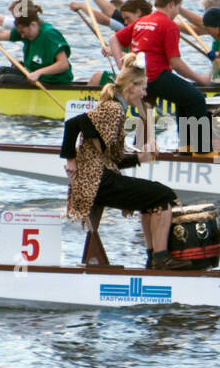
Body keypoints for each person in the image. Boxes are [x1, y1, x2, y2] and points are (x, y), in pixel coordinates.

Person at [58, 54, 187, 269]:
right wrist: (71, 159)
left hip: (99, 178)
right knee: (164, 195)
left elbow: (113, 159)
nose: (146, 94)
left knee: (151, 199)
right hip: (97, 181)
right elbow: (72, 125)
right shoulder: (113, 109)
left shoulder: (117, 107)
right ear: (131, 87)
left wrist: (139, 158)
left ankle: (152, 256)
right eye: (143, 88)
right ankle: (160, 258)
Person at [109, 0, 211, 152]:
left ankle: (141, 147)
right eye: (178, 7)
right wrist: (200, 78)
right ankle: (199, 150)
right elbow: (176, 63)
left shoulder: (143, 21)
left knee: (164, 104)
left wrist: (123, 68)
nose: (178, 12)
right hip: (154, 76)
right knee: (196, 99)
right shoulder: (168, 25)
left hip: (138, 77)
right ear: (171, 4)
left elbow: (114, 39)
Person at [0, 0, 72, 84]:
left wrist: (38, 73)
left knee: (4, 79)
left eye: (23, 32)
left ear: (33, 24)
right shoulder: (23, 28)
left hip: (52, 80)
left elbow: (63, 64)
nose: (22, 36)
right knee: (2, 70)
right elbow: (0, 35)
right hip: (33, 74)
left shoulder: (49, 34)